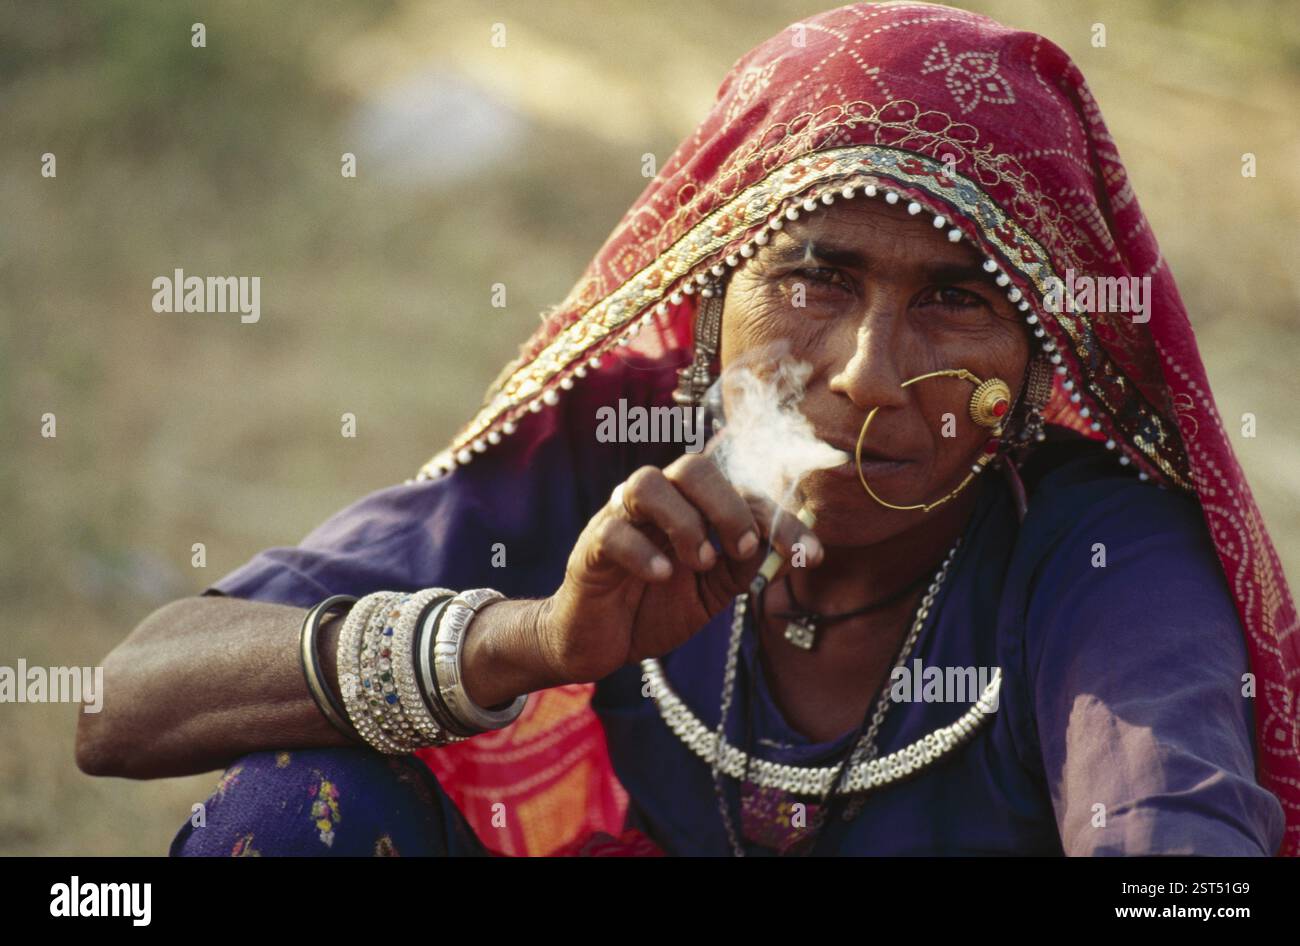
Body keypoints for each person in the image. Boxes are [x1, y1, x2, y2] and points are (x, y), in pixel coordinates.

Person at [78, 1, 1298, 857]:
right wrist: (529, 641)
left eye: (958, 298)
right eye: (816, 280)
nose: (872, 375)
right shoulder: (614, 456)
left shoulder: (1100, 553)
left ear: (1039, 372)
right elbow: (127, 703)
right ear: (706, 310)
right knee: (296, 807)